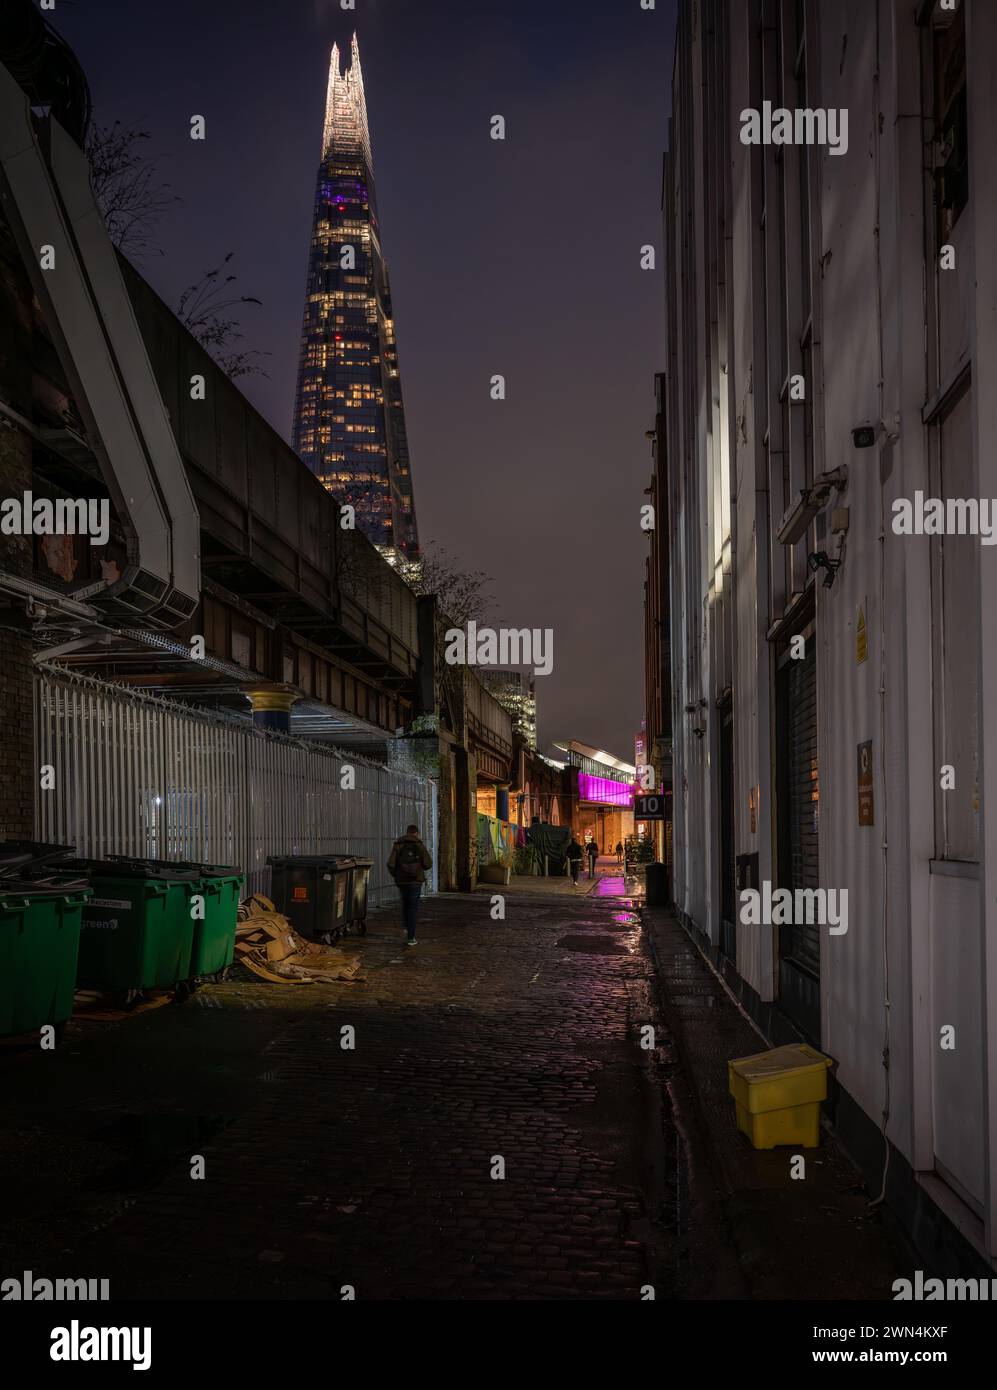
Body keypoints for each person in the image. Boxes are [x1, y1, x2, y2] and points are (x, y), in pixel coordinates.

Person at [387, 823, 433, 946]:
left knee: (405, 904)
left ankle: (406, 926)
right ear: (416, 833)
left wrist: (397, 875)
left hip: (402, 881)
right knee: (413, 908)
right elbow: (428, 864)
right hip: (415, 882)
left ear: (407, 832)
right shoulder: (419, 845)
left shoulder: (398, 844)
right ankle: (411, 937)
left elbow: (391, 864)